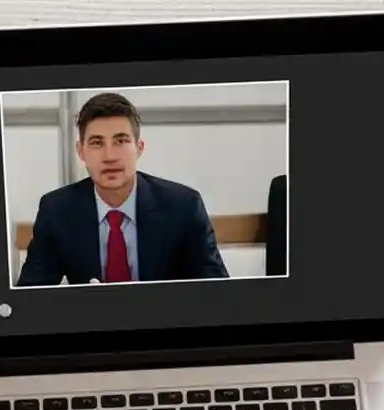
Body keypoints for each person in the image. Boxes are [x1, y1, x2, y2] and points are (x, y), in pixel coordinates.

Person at [15, 92, 230, 286]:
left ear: (139, 148)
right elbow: (31, 295)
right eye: (97, 143)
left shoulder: (183, 206)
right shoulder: (57, 211)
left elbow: (217, 293)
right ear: (81, 152)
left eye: (121, 141)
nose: (109, 156)